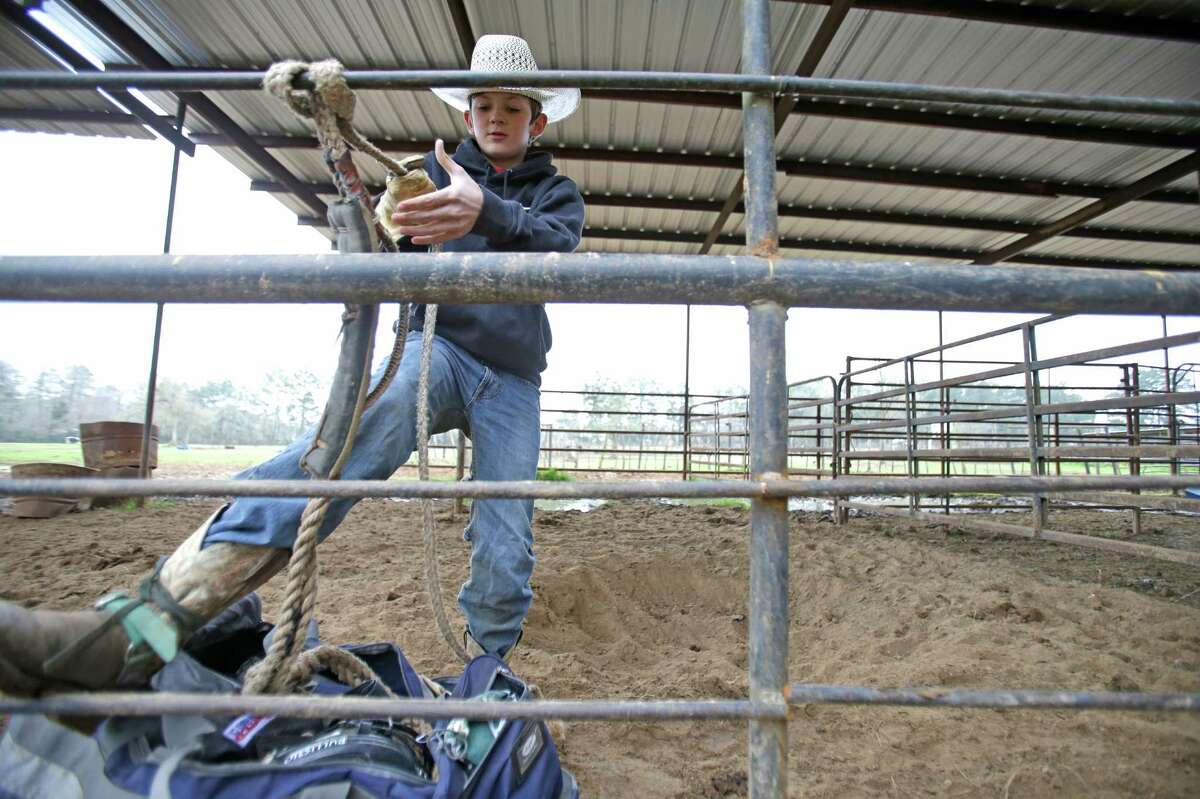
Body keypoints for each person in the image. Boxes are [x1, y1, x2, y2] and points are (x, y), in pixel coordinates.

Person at [0, 34, 584, 695]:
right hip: (438, 347)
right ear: (467, 113)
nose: (497, 116)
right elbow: (386, 247)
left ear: (537, 121)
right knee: (344, 441)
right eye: (485, 104)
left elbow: (558, 249)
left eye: (514, 106)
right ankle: (152, 621)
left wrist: (487, 211)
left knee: (507, 523)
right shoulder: (426, 172)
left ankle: (489, 668)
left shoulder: (556, 194)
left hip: (510, 377)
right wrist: (388, 221)